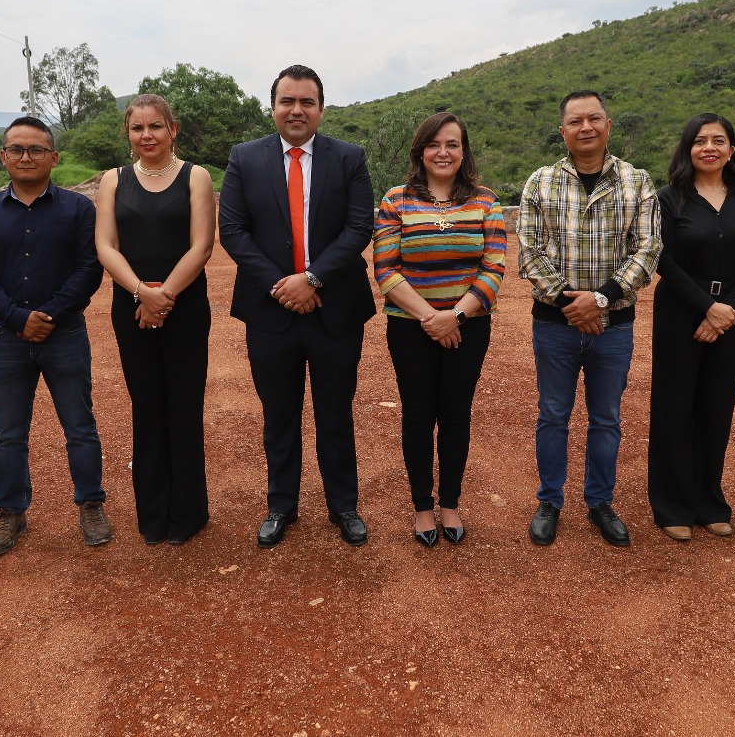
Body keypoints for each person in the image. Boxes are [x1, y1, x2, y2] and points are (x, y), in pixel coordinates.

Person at [218, 65, 376, 549]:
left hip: (335, 309)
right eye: (287, 100)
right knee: (278, 413)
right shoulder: (244, 159)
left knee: (335, 412)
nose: (296, 110)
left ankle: (343, 506)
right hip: (270, 313)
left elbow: (357, 228)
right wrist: (283, 286)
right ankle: (281, 505)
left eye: (307, 102)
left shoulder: (348, 158)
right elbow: (234, 232)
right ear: (273, 107)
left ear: (321, 109)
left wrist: (312, 279)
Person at [518, 90, 662, 548]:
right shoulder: (539, 182)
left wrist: (599, 301)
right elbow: (529, 253)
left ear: (608, 124)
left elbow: (648, 249)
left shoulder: (637, 182)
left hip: (614, 326)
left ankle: (600, 502)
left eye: (594, 118)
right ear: (562, 130)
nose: (586, 127)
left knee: (606, 418)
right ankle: (550, 502)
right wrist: (572, 305)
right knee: (553, 415)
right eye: (575, 121)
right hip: (554, 324)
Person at [0, 116, 109, 556]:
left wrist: (49, 314)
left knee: (80, 427)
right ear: (3, 156)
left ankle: (90, 504)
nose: (26, 157)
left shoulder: (79, 209)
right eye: (16, 150)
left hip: (65, 334)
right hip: (8, 338)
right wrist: (16, 317)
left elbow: (89, 269)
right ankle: (10, 511)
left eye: (36, 150)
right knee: (8, 433)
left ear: (54, 157)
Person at [373, 113, 506, 547]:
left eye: (452, 144)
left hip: (468, 327)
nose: (443, 152)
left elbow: (494, 267)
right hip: (410, 328)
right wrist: (432, 318)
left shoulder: (486, 201)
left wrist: (457, 316)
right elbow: (386, 268)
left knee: (455, 415)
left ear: (463, 151)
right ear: (421, 151)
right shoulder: (396, 200)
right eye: (434, 145)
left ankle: (450, 502)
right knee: (417, 415)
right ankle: (422, 508)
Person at [94, 94, 216, 545]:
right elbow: (106, 245)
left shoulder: (195, 176)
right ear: (128, 134)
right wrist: (140, 293)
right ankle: (153, 515)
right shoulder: (113, 179)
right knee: (146, 406)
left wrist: (162, 296)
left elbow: (201, 247)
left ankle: (187, 514)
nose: (147, 136)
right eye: (137, 129)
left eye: (155, 127)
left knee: (183, 406)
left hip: (184, 307)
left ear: (173, 129)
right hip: (130, 306)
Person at [647, 113, 735, 542]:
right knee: (675, 406)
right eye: (700, 141)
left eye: (719, 140)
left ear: (732, 149)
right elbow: (665, 261)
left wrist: (727, 309)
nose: (709, 147)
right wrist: (706, 308)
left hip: (731, 315)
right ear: (687, 148)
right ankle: (672, 504)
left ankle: (709, 501)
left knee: (717, 407)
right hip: (681, 310)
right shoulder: (668, 197)